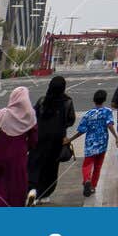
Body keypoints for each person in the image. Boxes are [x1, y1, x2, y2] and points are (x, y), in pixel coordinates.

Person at [0, 85, 39, 207]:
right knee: (14, 186)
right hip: (18, 158)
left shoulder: (1, 114)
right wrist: (25, 148)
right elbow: (34, 141)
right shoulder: (30, 116)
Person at [25, 75, 75, 205]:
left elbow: (33, 116)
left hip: (40, 137)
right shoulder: (67, 102)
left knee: (35, 163)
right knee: (51, 167)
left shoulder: (42, 101)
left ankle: (32, 190)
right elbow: (71, 120)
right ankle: (44, 193)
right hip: (57, 139)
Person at [73, 89, 117, 197]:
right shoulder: (107, 111)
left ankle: (87, 179)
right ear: (104, 99)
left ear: (94, 100)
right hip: (102, 143)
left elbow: (81, 130)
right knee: (98, 166)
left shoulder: (88, 114)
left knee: (87, 164)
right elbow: (110, 125)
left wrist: (70, 139)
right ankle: (93, 186)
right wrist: (117, 137)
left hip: (90, 143)